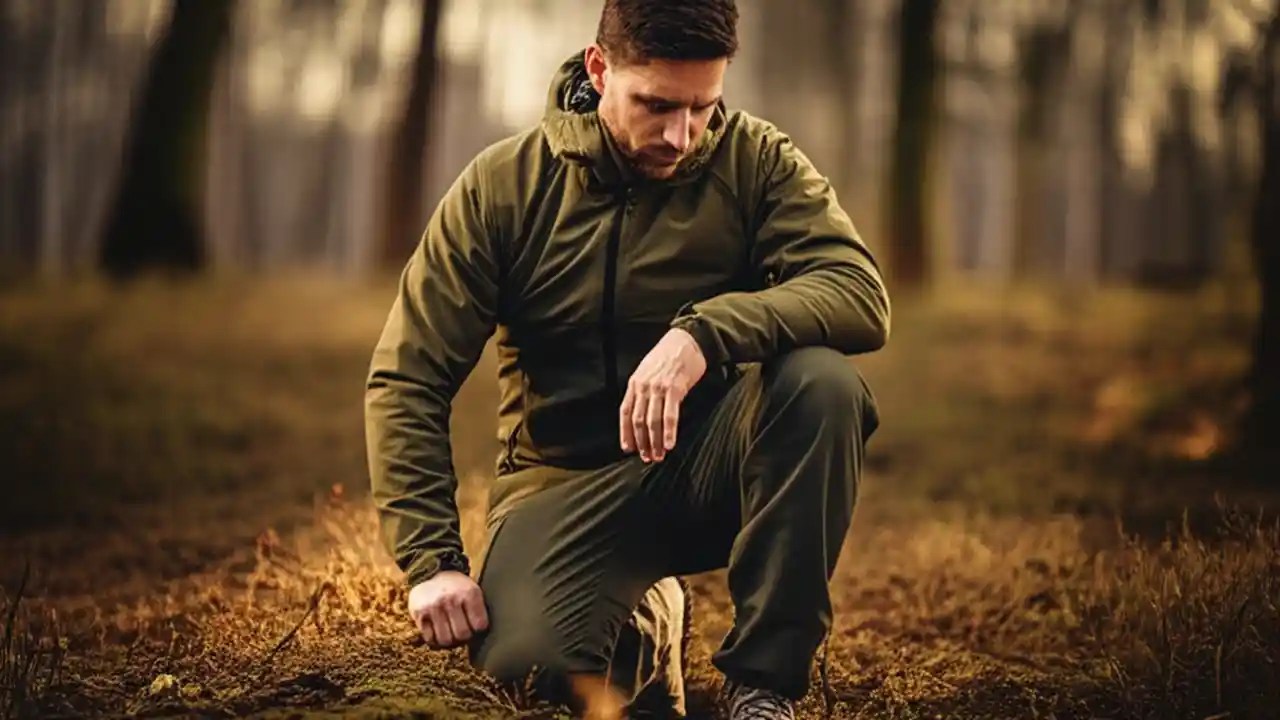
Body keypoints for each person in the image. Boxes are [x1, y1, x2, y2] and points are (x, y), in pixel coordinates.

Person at [364, 1, 889, 717]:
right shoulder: (503, 187)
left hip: (709, 465)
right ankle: (650, 617)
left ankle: (762, 686)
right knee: (531, 676)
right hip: (560, 489)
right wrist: (432, 561)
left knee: (821, 383)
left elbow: (857, 291)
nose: (681, 134)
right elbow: (409, 378)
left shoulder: (757, 162)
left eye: (703, 106)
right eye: (657, 105)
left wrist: (704, 333)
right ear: (599, 69)